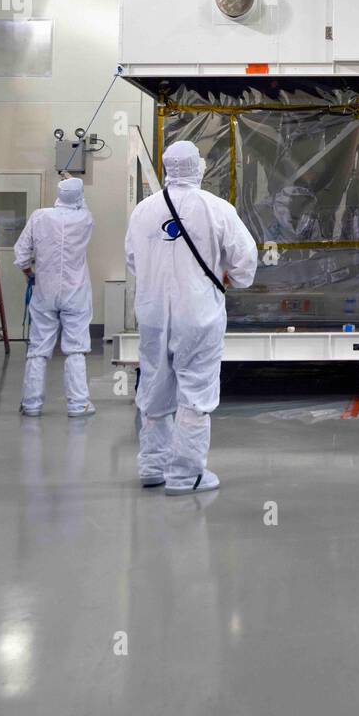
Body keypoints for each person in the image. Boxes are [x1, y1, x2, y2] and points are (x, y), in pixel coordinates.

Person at [125, 140, 258, 494]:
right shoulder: (216, 209)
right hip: (197, 314)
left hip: (152, 314)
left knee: (154, 385)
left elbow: (133, 261)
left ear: (168, 167)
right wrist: (229, 276)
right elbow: (245, 261)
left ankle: (152, 465)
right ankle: (186, 474)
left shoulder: (143, 211)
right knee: (196, 391)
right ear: (198, 167)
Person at [13, 178, 95, 417]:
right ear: (79, 196)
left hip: (44, 291)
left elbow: (20, 254)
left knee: (38, 348)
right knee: (76, 349)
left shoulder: (40, 216)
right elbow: (82, 206)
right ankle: (78, 404)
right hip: (76, 292)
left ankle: (31, 404)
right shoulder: (85, 219)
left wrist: (30, 274)